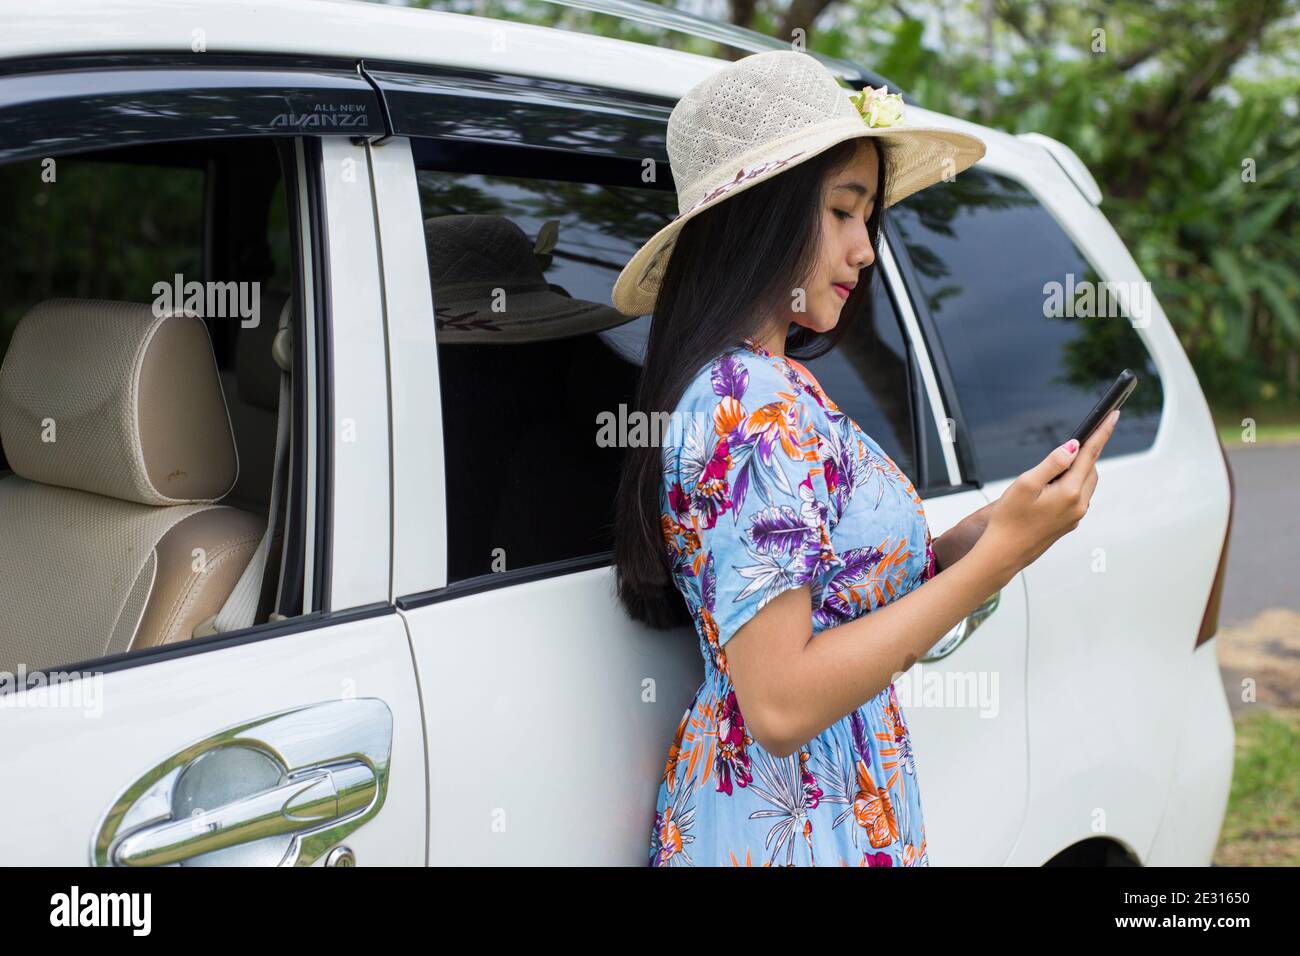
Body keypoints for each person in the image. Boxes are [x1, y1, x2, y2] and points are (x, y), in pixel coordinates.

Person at [610, 49, 1119, 867]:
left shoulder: (778, 383)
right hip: (787, 818)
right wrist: (999, 563)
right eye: (844, 213)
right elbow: (778, 703)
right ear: (762, 218)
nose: (866, 249)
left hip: (824, 801)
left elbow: (837, 593)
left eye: (868, 218)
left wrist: (997, 529)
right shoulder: (748, 404)